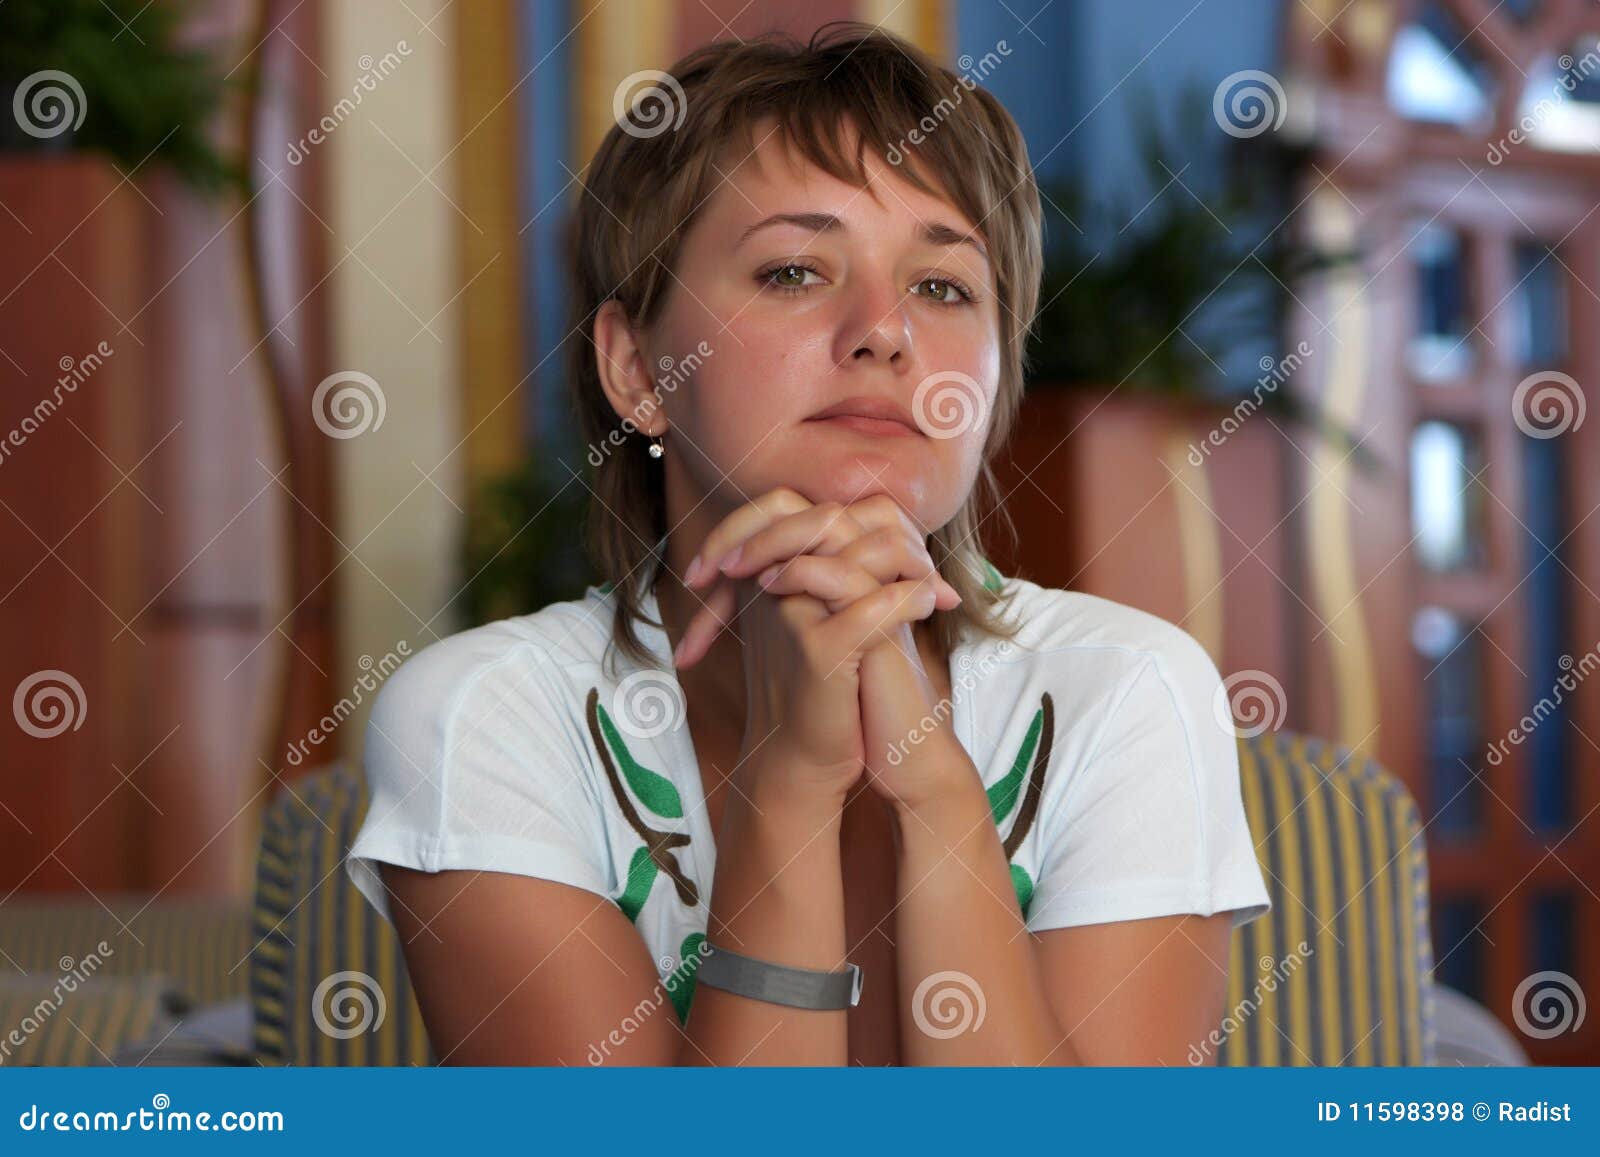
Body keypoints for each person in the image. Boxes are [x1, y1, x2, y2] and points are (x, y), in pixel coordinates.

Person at [346, 21, 1271, 1066]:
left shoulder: (1126, 688)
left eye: (942, 286)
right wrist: (788, 784)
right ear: (639, 371)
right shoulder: (486, 715)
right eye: (793, 270)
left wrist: (933, 791)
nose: (885, 330)